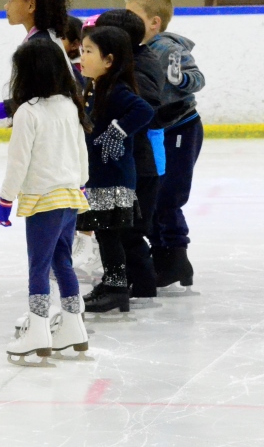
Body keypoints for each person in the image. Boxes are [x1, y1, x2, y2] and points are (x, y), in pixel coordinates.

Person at [0, 39, 92, 366]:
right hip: (70, 196)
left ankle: (38, 331)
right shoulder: (69, 104)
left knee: (39, 265)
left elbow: (18, 162)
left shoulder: (29, 111)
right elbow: (82, 152)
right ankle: (74, 327)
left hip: (43, 199)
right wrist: (81, 185)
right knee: (62, 261)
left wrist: (6, 199)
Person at [125, 0, 206, 292]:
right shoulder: (141, 48)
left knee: (168, 195)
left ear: (155, 22)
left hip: (181, 129)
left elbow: (197, 79)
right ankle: (162, 254)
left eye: (133, 16)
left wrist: (179, 78)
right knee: (155, 194)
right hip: (159, 130)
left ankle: (175, 258)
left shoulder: (168, 48)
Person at [77, 27, 154, 315]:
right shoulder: (97, 87)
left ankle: (117, 289)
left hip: (113, 179)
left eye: (88, 51)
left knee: (109, 237)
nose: (81, 57)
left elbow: (144, 110)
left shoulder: (117, 90)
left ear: (109, 60)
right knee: (105, 235)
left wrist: (117, 131)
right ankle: (112, 283)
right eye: (81, 50)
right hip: (101, 177)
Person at [0, 0, 82, 127]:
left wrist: (3, 108)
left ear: (31, 5)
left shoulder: (41, 45)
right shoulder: (47, 38)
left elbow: (43, 93)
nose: (6, 6)